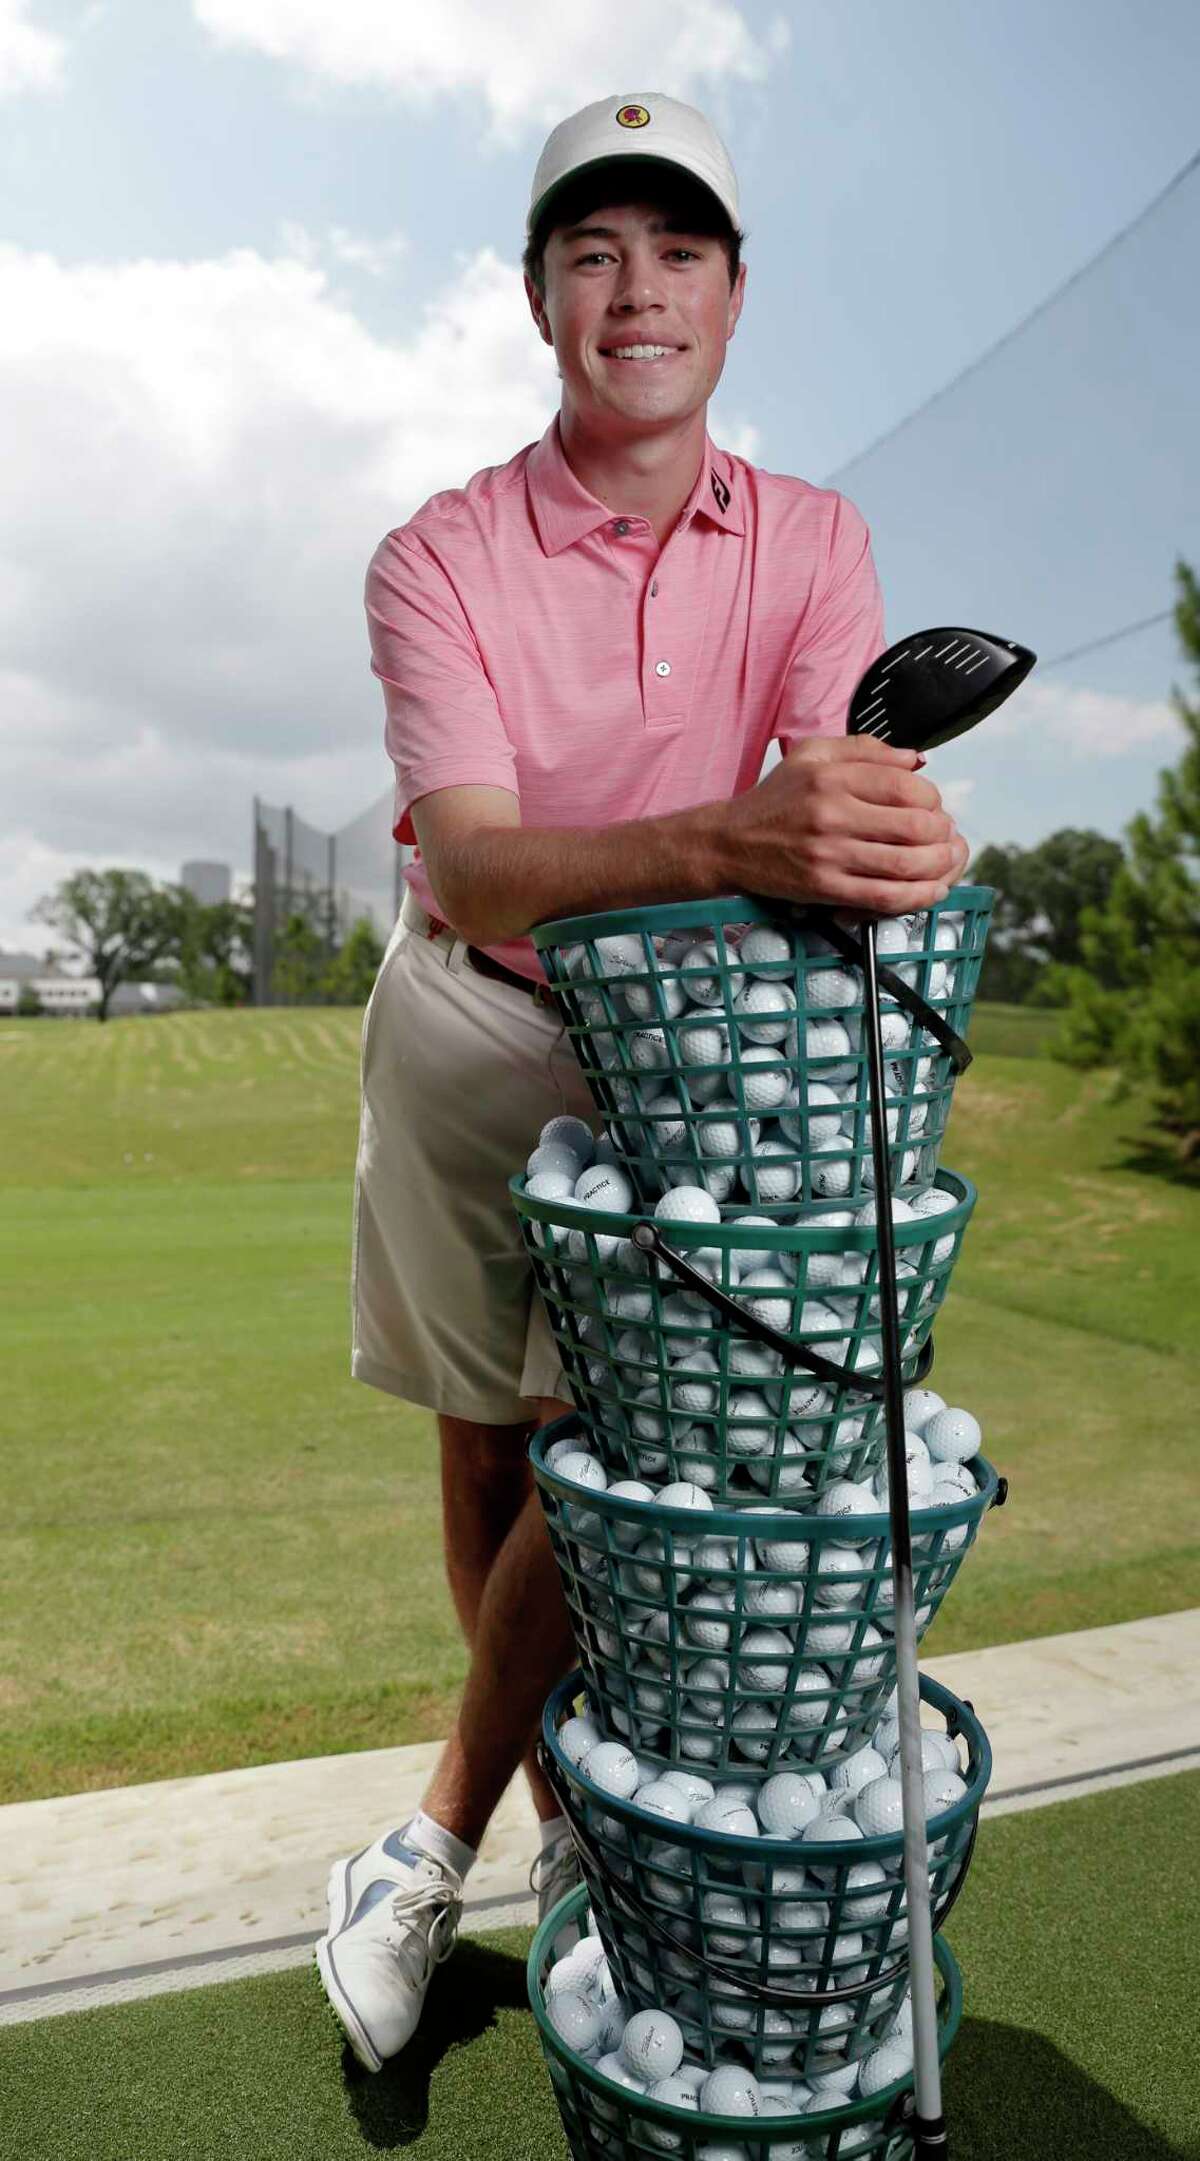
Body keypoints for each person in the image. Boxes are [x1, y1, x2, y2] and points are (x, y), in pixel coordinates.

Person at [316, 90, 968, 2073]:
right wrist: (740, 837)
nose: (638, 289)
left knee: (608, 1465)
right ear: (538, 300)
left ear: (736, 294)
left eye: (677, 249)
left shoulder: (821, 542)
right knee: (490, 1454)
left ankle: (439, 1834)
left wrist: (881, 833)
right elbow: (485, 856)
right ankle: (539, 1831)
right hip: (475, 1024)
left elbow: (830, 816)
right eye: (593, 252)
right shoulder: (435, 554)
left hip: (697, 1064)